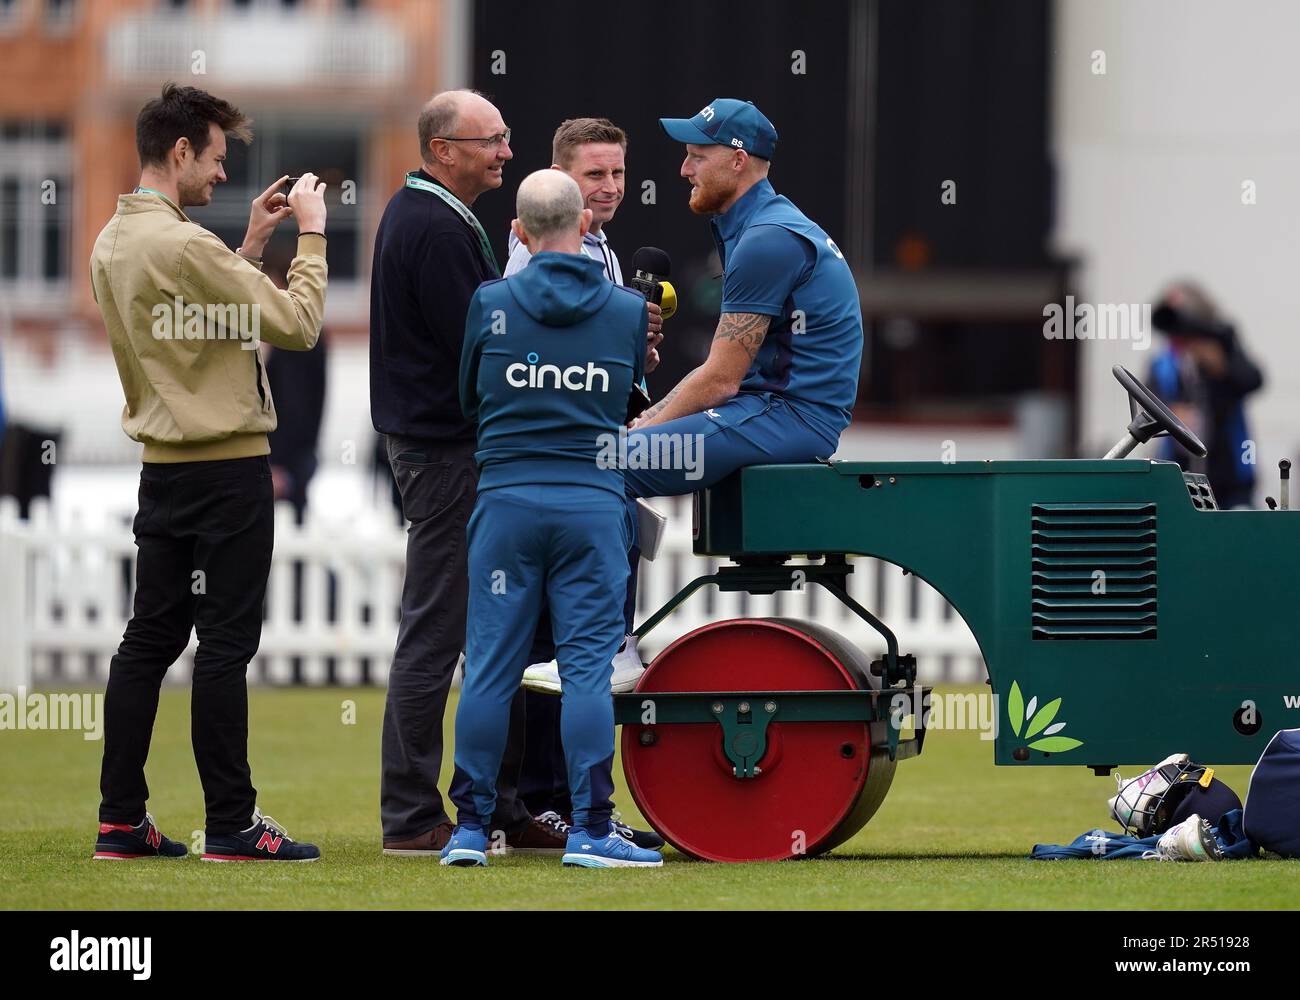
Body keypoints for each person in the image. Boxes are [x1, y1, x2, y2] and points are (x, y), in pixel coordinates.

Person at [89, 82, 326, 862]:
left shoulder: (113, 243)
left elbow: (199, 325)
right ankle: (232, 822)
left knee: (147, 642)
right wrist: (313, 238)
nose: (224, 175)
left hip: (161, 470)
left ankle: (120, 821)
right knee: (225, 646)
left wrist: (251, 246)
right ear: (182, 150)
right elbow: (294, 326)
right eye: (218, 159)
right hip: (227, 470)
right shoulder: (186, 245)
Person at [440, 169, 660, 868]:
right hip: (591, 505)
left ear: (518, 231)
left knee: (490, 671)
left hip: (505, 500)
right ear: (586, 226)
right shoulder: (626, 310)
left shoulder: (491, 301)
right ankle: (591, 830)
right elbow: (630, 394)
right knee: (588, 673)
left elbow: (470, 399)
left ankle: (472, 831)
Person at [370, 90, 561, 856]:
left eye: (507, 137)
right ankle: (413, 815)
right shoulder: (437, 227)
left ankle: (499, 804)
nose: (506, 152)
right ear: (443, 149)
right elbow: (483, 350)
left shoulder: (428, 216)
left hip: (445, 450)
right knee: (440, 630)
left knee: (496, 629)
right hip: (447, 455)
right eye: (492, 141)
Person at [502, 118, 662, 850]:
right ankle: (543, 803)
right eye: (594, 175)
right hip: (564, 474)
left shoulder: (602, 249)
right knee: (556, 646)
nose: (609, 189)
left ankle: (577, 804)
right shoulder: (529, 258)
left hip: (597, 467)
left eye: (619, 174)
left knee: (588, 647)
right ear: (561, 179)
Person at [624, 98, 864, 497]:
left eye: (696, 157)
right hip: (779, 412)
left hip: (789, 417)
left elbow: (720, 380)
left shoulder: (766, 238)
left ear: (738, 161)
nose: (684, 170)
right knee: (606, 459)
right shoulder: (765, 224)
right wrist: (647, 419)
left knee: (604, 464)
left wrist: (647, 424)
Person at [1148, 281, 1264, 509]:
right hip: (1178, 474)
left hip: (1231, 473)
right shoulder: (1163, 363)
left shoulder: (1223, 345)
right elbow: (1148, 401)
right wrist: (1172, 413)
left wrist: (1221, 367)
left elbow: (1254, 380)